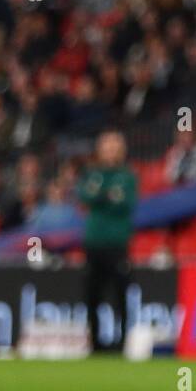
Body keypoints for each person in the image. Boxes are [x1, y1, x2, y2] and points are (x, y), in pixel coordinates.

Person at [78, 130, 137, 354]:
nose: (111, 152)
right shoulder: (92, 174)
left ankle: (123, 343)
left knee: (120, 294)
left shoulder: (127, 176)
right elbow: (86, 197)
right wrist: (107, 195)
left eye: (114, 147)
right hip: (94, 244)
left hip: (117, 244)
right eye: (107, 147)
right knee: (92, 295)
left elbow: (125, 203)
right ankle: (94, 343)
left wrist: (100, 197)